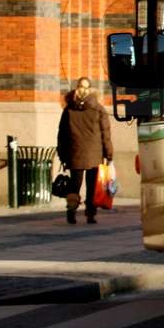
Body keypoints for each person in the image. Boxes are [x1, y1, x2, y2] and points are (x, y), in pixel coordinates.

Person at [56, 76, 113, 225]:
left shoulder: (68, 109)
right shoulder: (98, 108)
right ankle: (90, 214)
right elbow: (105, 133)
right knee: (91, 185)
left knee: (75, 184)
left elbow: (61, 134)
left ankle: (71, 210)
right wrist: (109, 154)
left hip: (75, 153)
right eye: (82, 86)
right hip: (94, 153)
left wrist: (62, 154)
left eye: (85, 87)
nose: (83, 89)